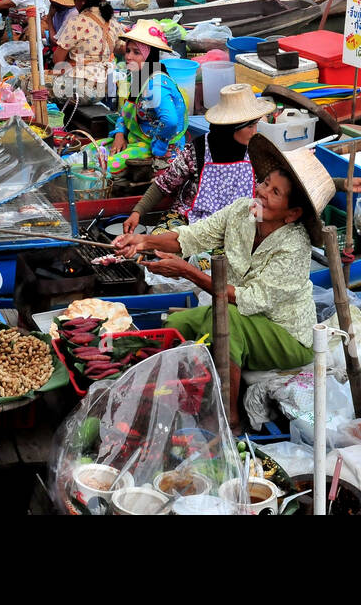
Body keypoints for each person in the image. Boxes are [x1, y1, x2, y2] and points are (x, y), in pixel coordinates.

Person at [113, 138, 345, 430]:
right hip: (240, 313)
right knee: (179, 322)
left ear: (292, 213)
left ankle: (229, 417)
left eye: (274, 192)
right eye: (263, 183)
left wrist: (187, 272)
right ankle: (136, 386)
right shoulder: (241, 211)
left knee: (228, 319)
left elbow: (247, 299)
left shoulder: (294, 246)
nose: (260, 192)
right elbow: (189, 237)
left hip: (287, 337)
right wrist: (143, 240)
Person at [122, 82, 274, 235]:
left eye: (256, 125)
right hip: (190, 219)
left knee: (213, 258)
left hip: (233, 227)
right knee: (158, 242)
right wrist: (137, 212)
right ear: (231, 128)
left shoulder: (257, 152)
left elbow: (261, 198)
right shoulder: (199, 149)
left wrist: (259, 233)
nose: (254, 132)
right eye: (250, 127)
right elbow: (164, 184)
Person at [103, 21, 188, 174]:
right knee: (92, 151)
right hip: (136, 141)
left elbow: (170, 121)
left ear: (150, 55)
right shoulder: (141, 77)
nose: (128, 56)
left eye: (136, 52)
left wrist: (159, 148)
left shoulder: (156, 84)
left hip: (156, 148)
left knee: (102, 167)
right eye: (128, 50)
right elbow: (126, 111)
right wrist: (120, 133)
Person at [49, 0, 126, 103]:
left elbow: (57, 59)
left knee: (33, 84)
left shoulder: (77, 22)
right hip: (106, 86)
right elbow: (120, 48)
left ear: (82, 0)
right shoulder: (112, 21)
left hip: (82, 90)